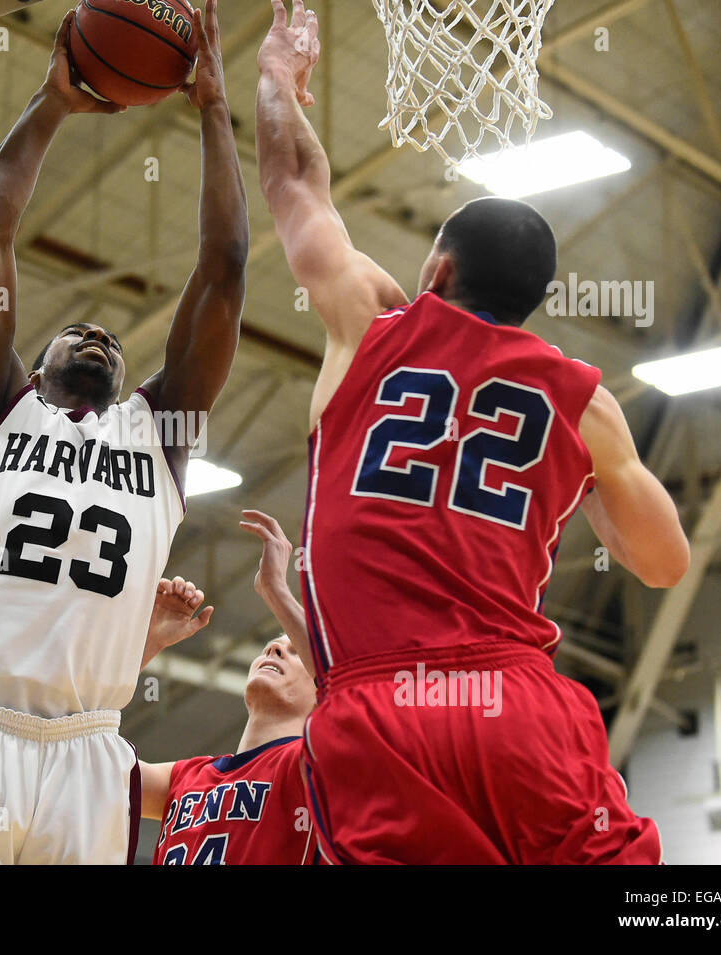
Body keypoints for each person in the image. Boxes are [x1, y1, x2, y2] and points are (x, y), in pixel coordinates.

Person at [254, 1, 690, 865]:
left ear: (438, 268)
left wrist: (276, 78)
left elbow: (292, 180)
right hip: (514, 702)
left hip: (381, 711)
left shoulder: (369, 323)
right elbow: (664, 562)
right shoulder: (584, 404)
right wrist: (583, 488)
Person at [0, 0, 247, 865]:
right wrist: (52, 102)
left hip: (90, 749)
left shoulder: (159, 434)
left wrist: (214, 110)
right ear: (33, 363)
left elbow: (225, 267)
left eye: (112, 340)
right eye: (76, 332)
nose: (97, 338)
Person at [139, 512, 319, 865]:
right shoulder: (184, 779)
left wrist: (274, 590)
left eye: (296, 650)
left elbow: (346, 690)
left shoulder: (313, 764)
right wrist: (149, 642)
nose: (275, 647)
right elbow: (84, 751)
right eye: (272, 643)